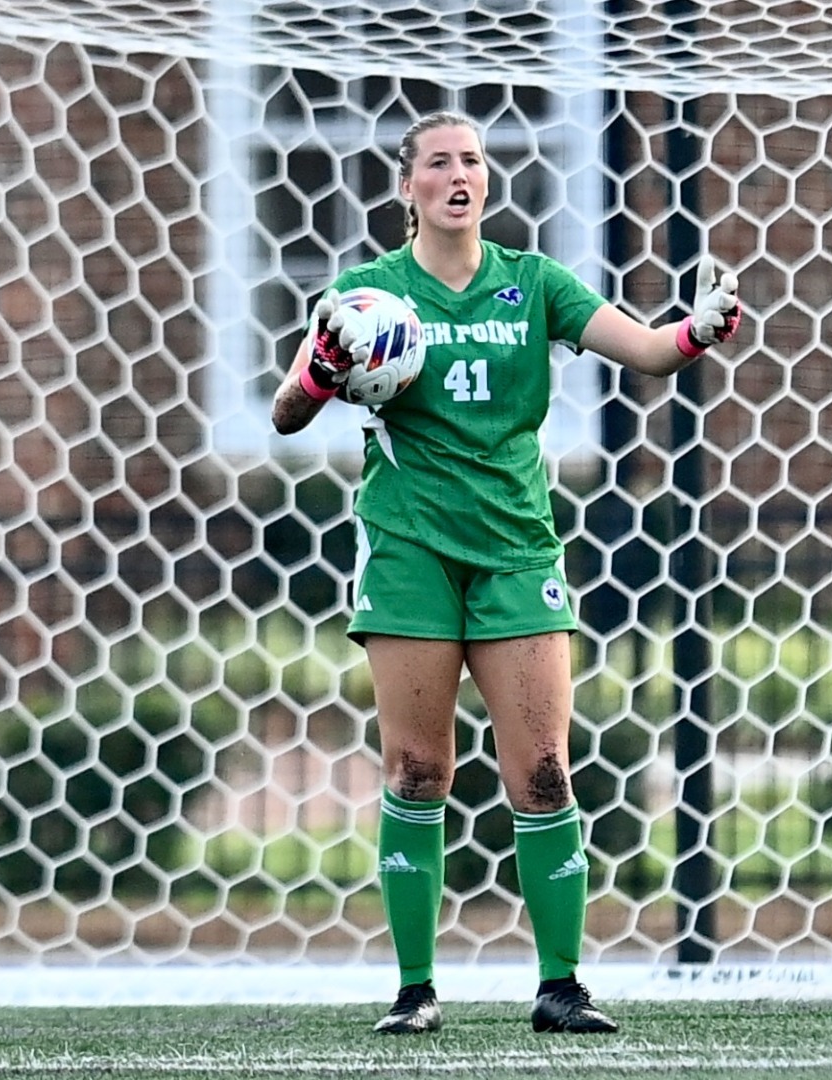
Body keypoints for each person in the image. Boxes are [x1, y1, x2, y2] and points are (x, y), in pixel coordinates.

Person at [271, 111, 743, 1036]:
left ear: (488, 185)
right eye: (440, 162)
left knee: (544, 774)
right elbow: (287, 413)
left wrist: (700, 330)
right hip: (407, 548)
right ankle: (414, 993)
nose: (460, 174)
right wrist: (325, 372)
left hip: (518, 549)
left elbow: (646, 351)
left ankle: (561, 989)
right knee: (417, 771)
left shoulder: (535, 285)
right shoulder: (365, 296)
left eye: (474, 162)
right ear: (406, 187)